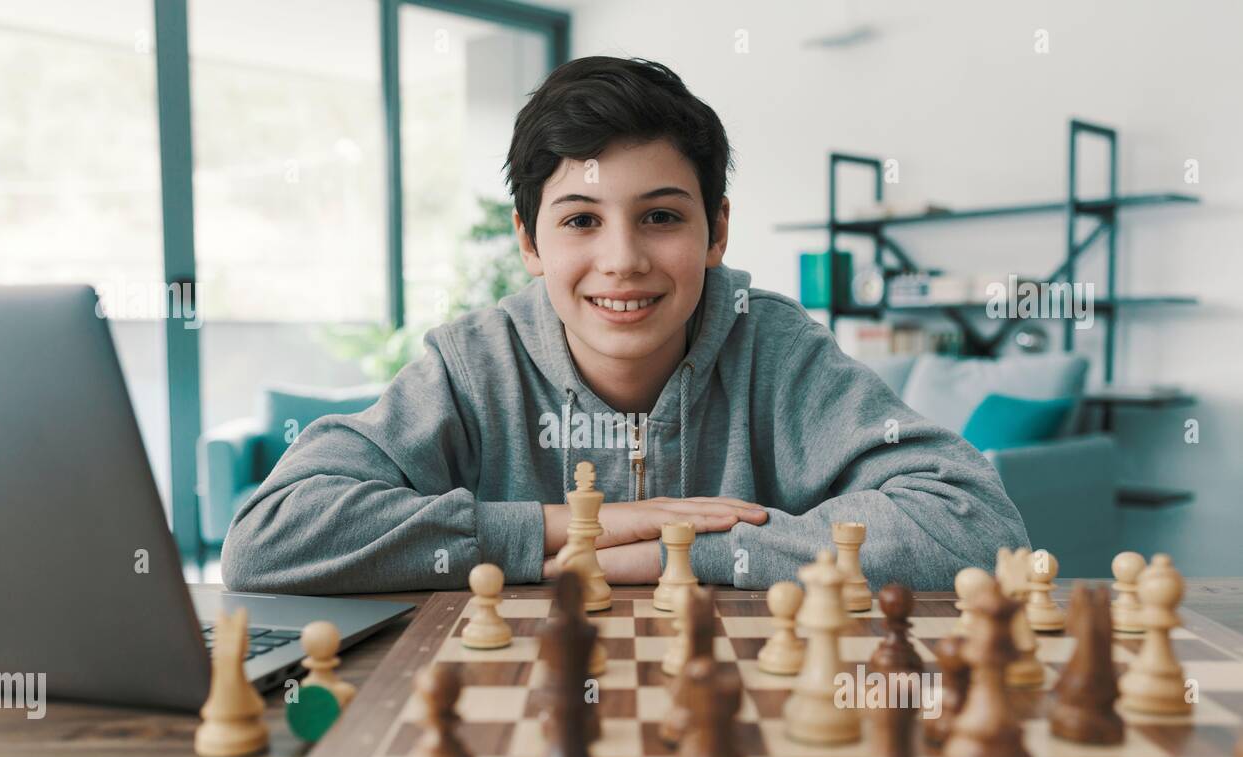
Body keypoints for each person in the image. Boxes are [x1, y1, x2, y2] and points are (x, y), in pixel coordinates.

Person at [221, 56, 1028, 595]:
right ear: (529, 242)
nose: (623, 260)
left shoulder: (775, 349)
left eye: (661, 217)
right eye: (580, 221)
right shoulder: (473, 363)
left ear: (716, 232)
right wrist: (571, 528)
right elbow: (268, 538)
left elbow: (978, 526)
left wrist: (683, 550)